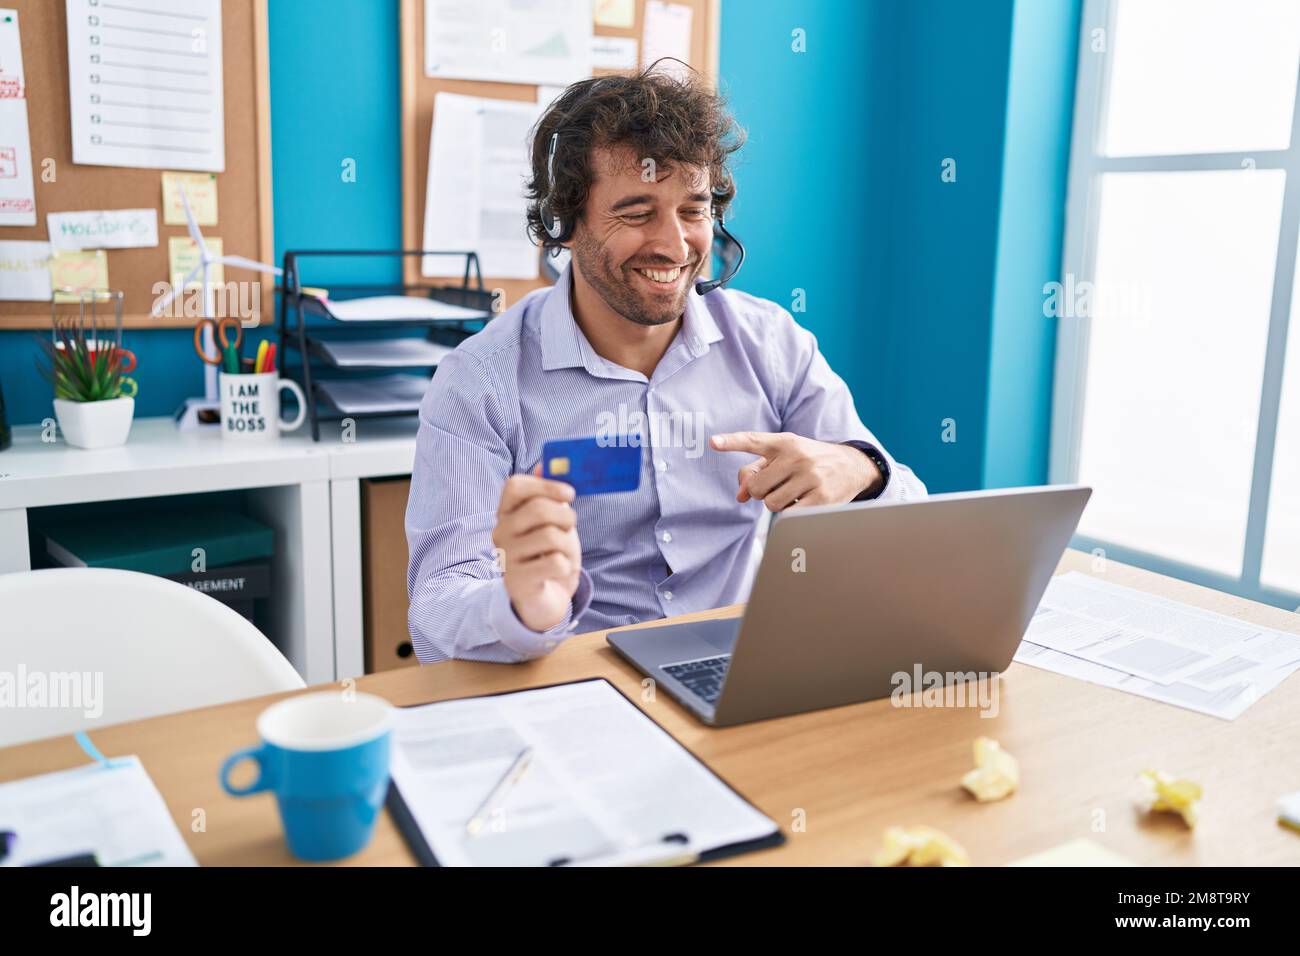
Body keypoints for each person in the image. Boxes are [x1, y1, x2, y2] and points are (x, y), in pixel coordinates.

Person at [406, 66, 926, 663]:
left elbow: (912, 514)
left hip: (741, 668)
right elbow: (436, 601)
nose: (675, 247)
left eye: (693, 210)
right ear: (564, 224)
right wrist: (524, 607)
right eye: (636, 211)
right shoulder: (480, 381)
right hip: (574, 684)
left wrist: (859, 471)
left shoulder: (770, 342)